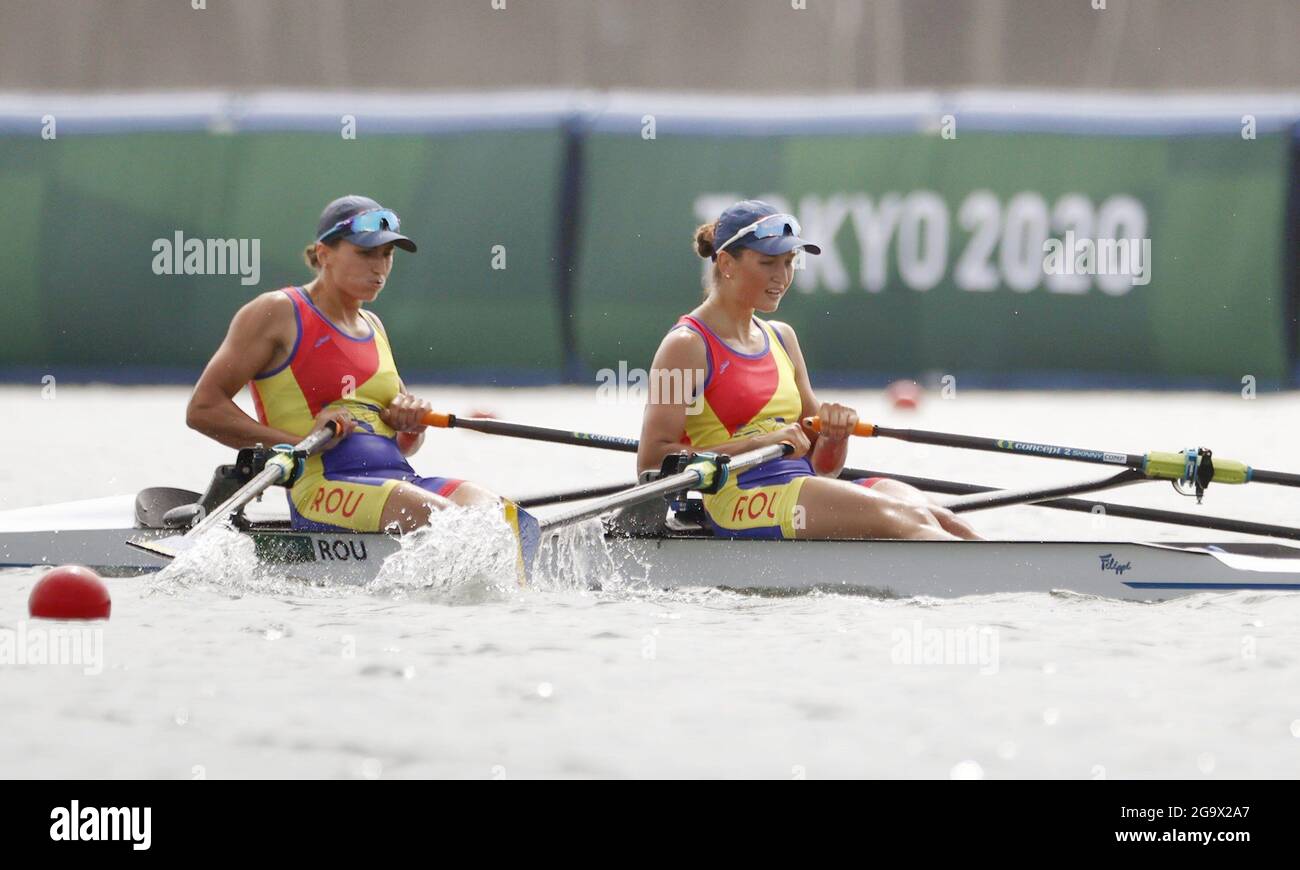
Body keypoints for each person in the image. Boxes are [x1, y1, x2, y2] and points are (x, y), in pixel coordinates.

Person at [636, 200, 980, 541]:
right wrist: (762, 442)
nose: (782, 276)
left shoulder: (783, 338)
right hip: (739, 497)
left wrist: (834, 436)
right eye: (768, 263)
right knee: (908, 521)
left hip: (799, 486)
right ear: (726, 263)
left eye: (789, 262)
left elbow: (825, 467)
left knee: (945, 520)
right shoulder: (684, 346)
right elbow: (651, 462)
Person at [187, 195, 523, 538]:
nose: (379, 267)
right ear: (324, 254)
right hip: (322, 487)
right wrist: (300, 441)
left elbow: (400, 444)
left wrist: (412, 426)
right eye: (365, 253)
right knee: (454, 525)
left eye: (387, 255)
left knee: (499, 517)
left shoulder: (374, 325)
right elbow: (203, 409)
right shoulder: (277, 312)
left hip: (399, 481)